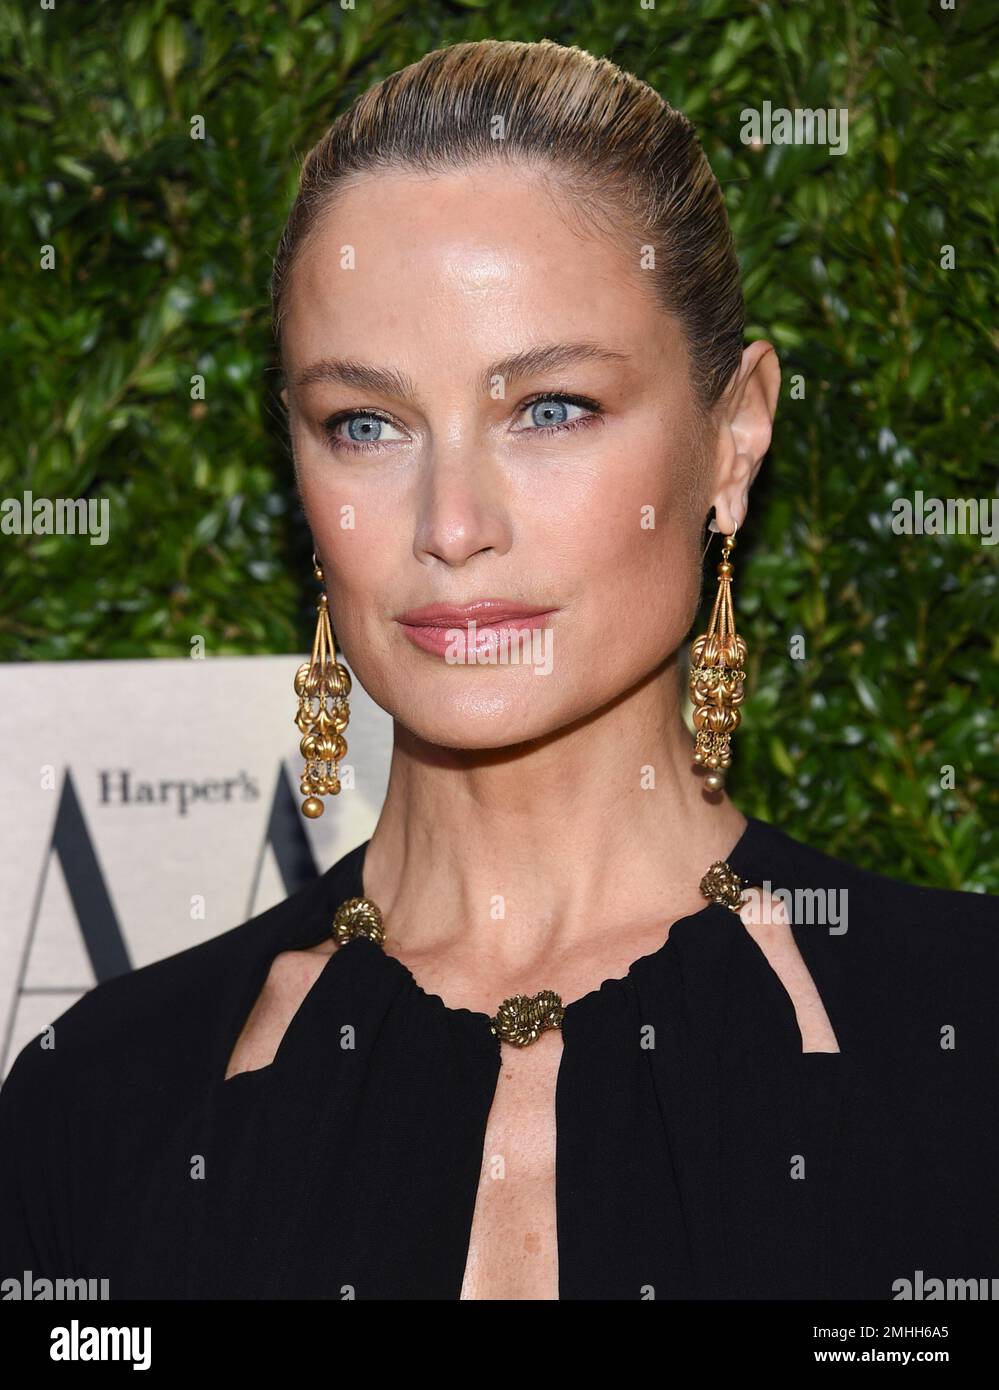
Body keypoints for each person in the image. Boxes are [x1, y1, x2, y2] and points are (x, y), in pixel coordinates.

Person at [1, 38, 995, 1303]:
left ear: (734, 435)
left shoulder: (966, 1045)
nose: (452, 522)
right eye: (365, 424)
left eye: (551, 408)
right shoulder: (99, 1102)